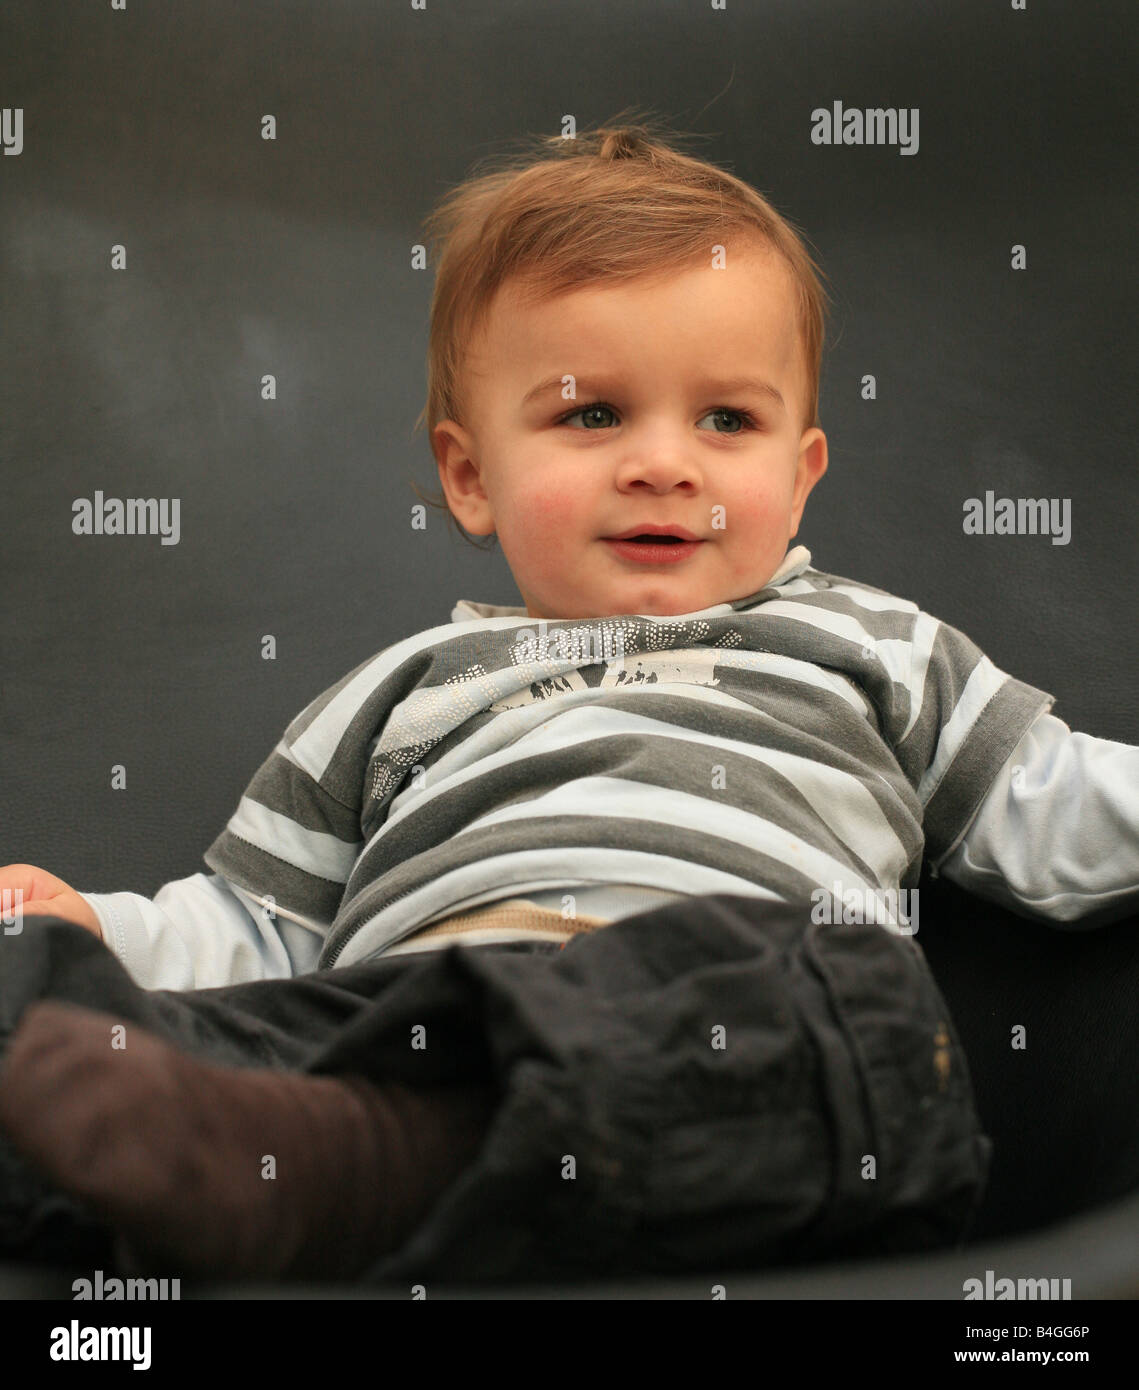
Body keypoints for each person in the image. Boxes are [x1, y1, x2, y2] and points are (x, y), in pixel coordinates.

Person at [2, 120, 1136, 1286]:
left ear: (798, 479)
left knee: (841, 1000)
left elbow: (1051, 803)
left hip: (735, 1047)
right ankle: (242, 1159)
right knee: (83, 1019)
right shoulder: (397, 692)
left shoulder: (869, 643)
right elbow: (250, 934)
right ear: (469, 474)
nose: (661, 463)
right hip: (418, 1028)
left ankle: (344, 1173)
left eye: (725, 420)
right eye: (590, 414)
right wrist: (91, 927)